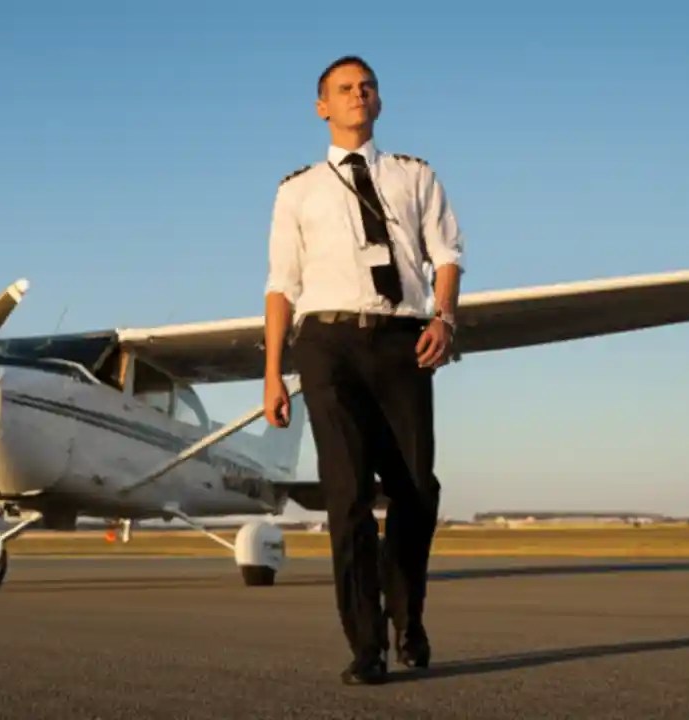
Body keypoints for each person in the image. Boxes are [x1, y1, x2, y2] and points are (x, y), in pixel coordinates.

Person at [262, 55, 464, 685]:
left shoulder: (415, 175)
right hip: (326, 346)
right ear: (322, 106)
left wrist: (445, 319)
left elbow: (448, 256)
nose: (358, 95)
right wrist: (273, 373)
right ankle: (366, 644)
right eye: (344, 89)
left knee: (415, 489)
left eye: (366, 87)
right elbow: (280, 286)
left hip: (402, 339)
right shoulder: (295, 190)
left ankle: (409, 617)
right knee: (347, 495)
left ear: (379, 103)